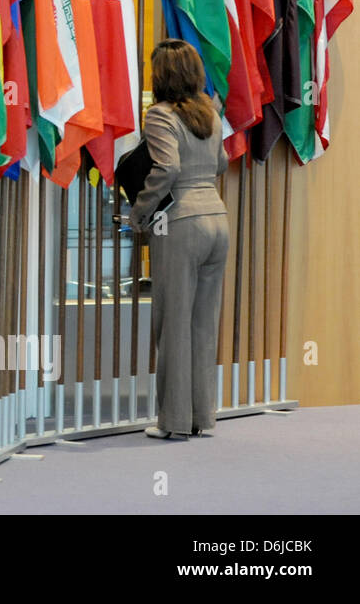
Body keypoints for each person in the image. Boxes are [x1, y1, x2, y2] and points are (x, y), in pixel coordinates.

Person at [130, 40, 230, 439]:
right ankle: (201, 417)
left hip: (179, 224)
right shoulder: (211, 115)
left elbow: (167, 167)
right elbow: (221, 163)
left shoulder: (159, 115)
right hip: (217, 220)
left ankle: (171, 422)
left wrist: (141, 209)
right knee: (203, 324)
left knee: (173, 322)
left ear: (161, 75)